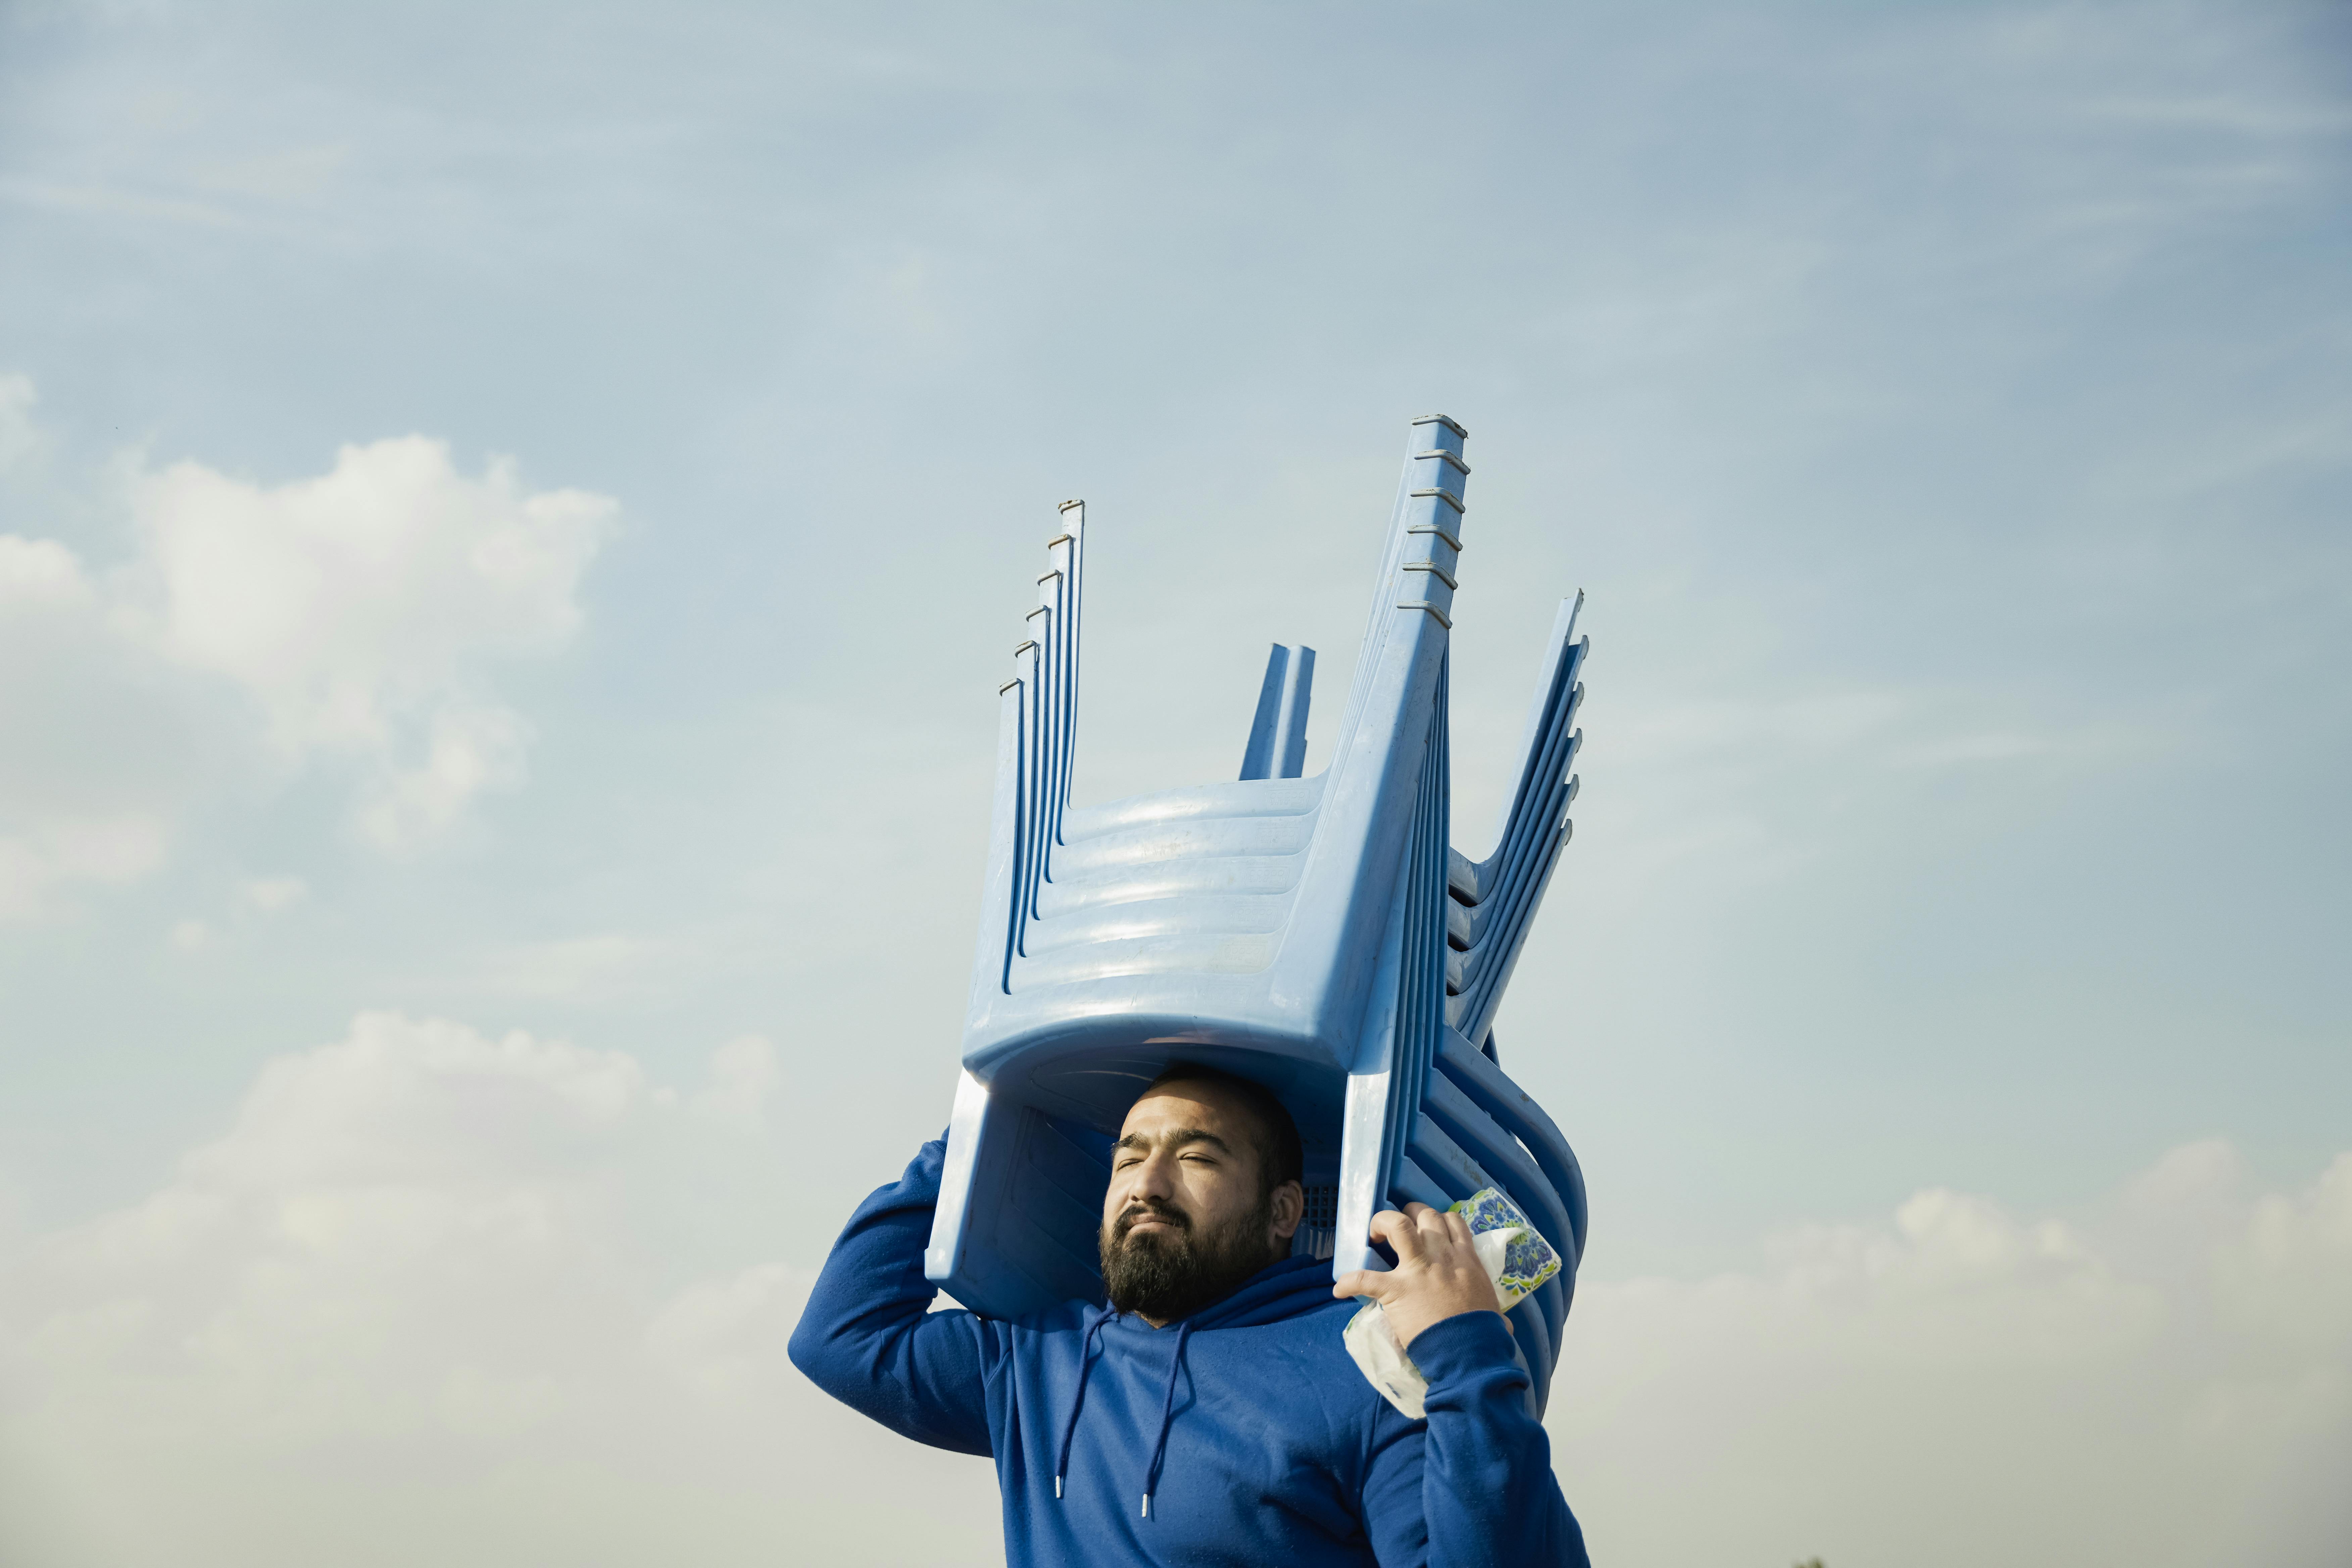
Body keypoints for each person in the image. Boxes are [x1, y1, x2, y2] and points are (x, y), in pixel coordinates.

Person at [789, 1063, 1591, 1566]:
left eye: (1197, 1156)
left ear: (1285, 1210)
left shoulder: (1364, 1357)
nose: (1148, 1182)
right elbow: (840, 1335)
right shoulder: (1037, 1361)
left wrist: (1467, 1350)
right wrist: (980, 1123)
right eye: (1129, 1154)